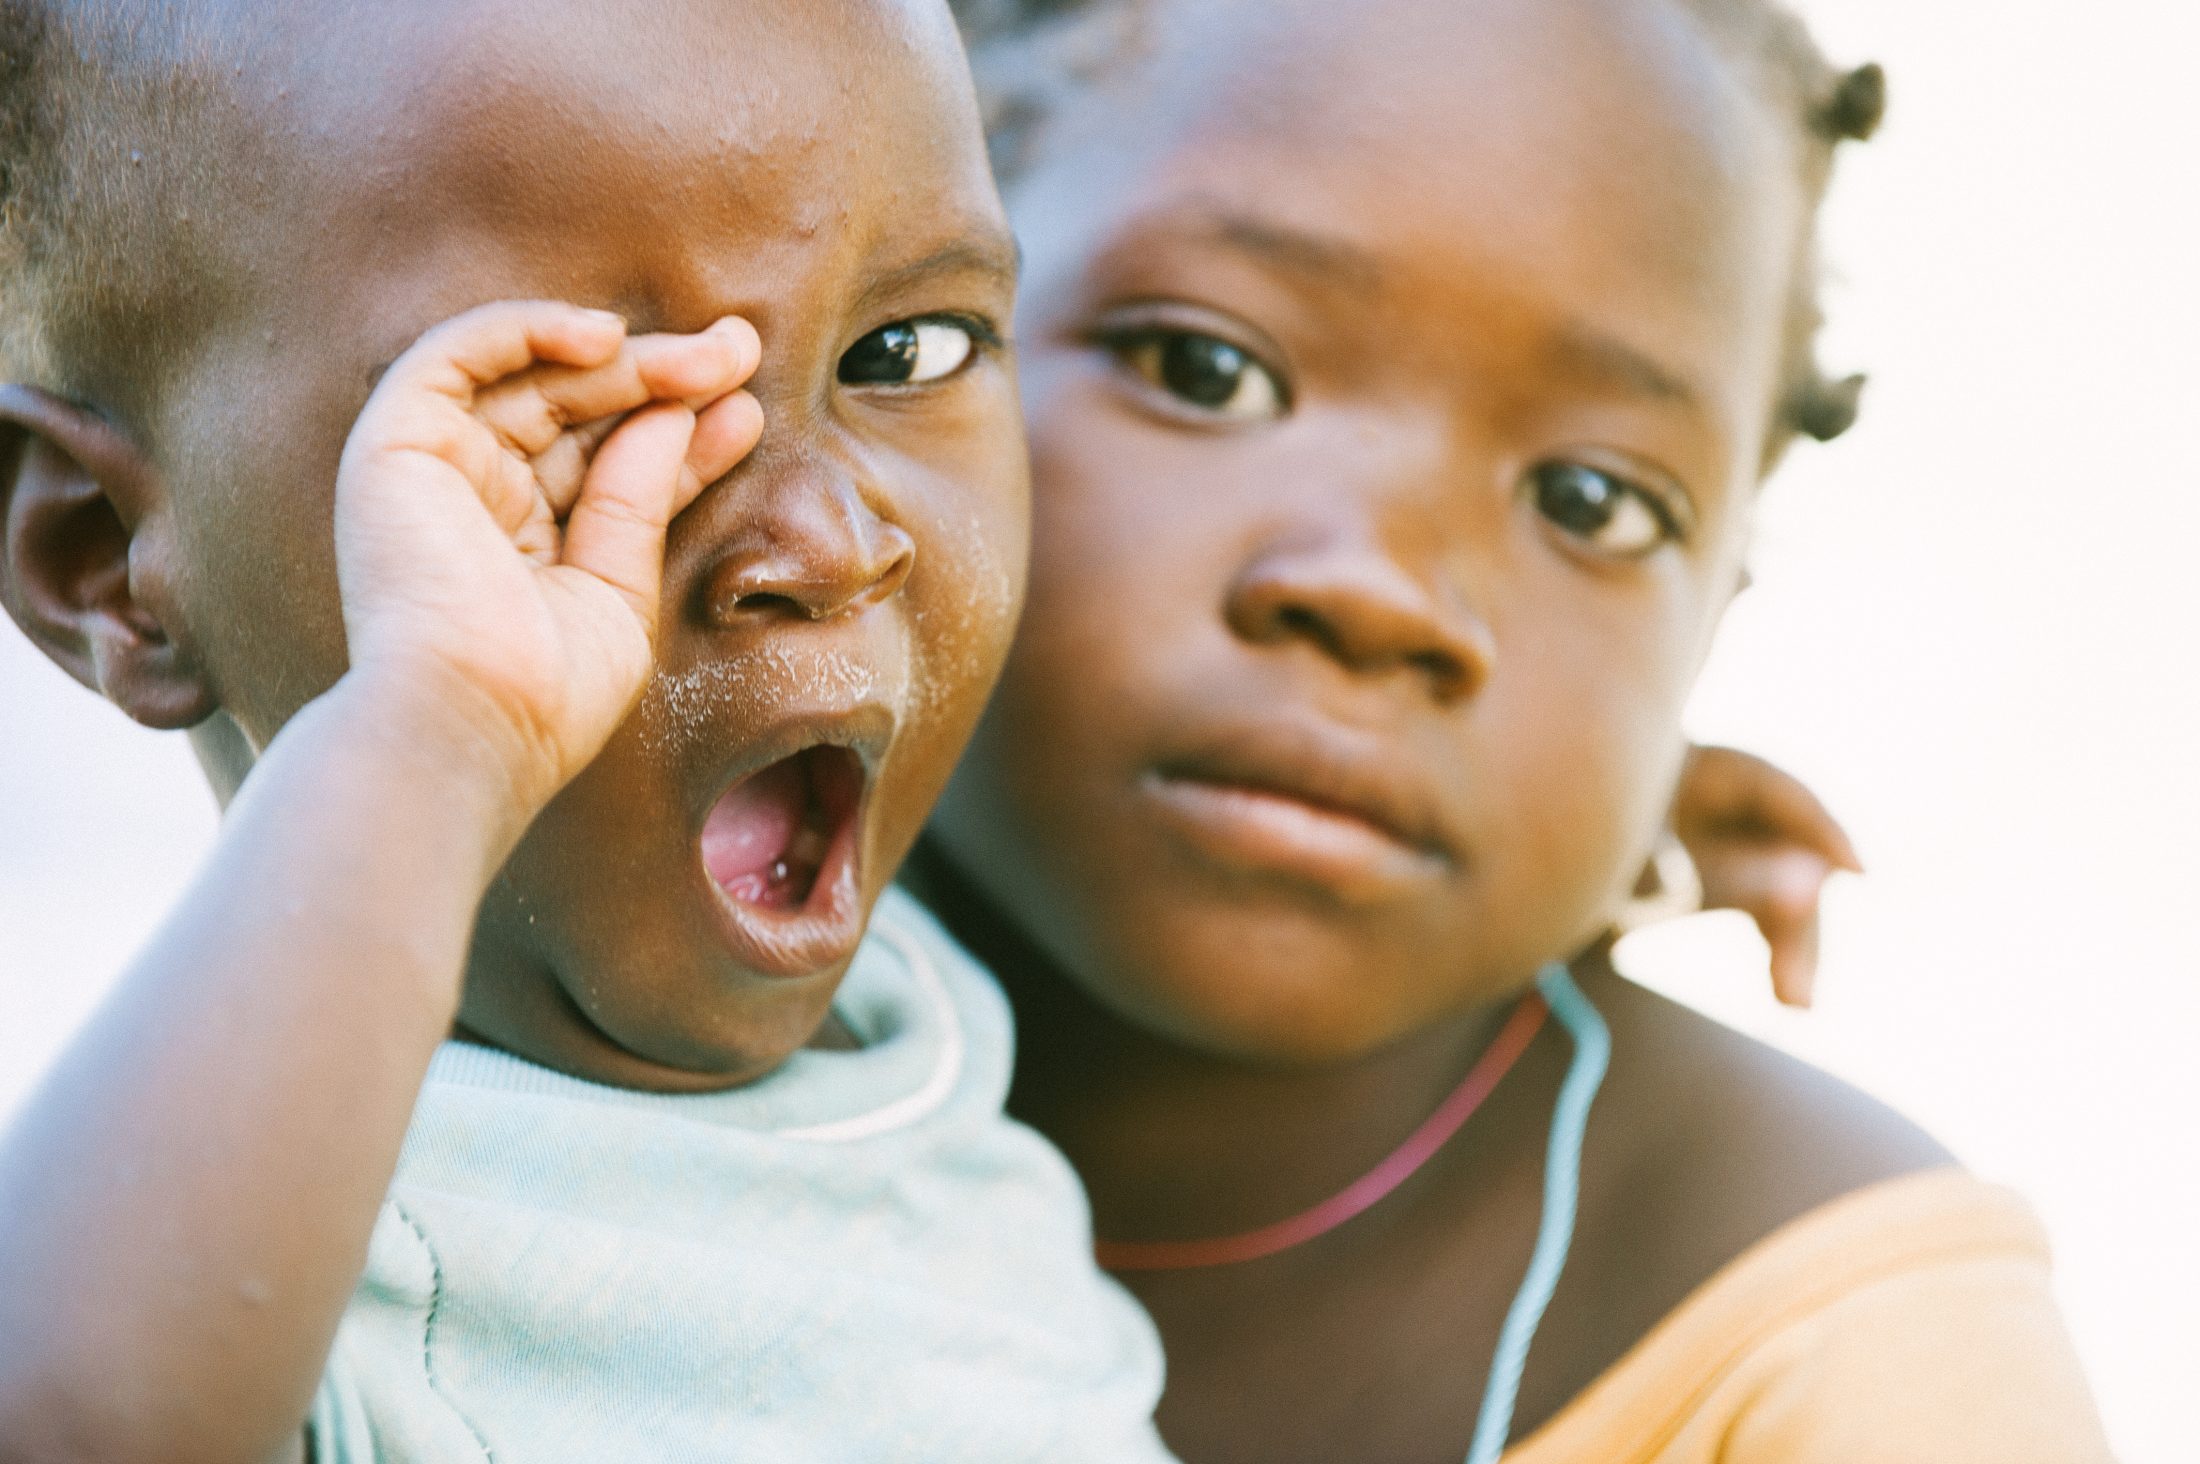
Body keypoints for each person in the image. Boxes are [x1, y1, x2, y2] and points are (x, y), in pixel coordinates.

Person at [914, 0, 2115, 1457]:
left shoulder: (1843, 1352)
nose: (1384, 596)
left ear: (1719, 613)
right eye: (1204, 370)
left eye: (1592, 504)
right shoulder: (576, 962)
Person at [0, 2, 1174, 1459]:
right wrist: (438, 728)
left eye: (906, 347)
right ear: (105, 559)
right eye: (559, 414)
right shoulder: (291, 1266)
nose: (821, 539)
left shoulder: (937, 987)